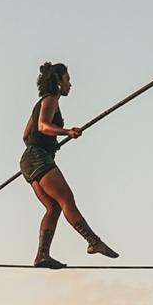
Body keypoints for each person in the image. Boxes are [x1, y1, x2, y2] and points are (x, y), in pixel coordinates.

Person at [20, 62, 118, 269]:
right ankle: (94, 241)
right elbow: (42, 126)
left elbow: (26, 135)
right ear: (58, 81)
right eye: (67, 80)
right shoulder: (51, 100)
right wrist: (66, 132)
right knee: (67, 199)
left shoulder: (42, 102)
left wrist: (49, 144)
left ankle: (42, 255)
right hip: (38, 158)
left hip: (29, 160)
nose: (70, 84)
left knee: (53, 207)